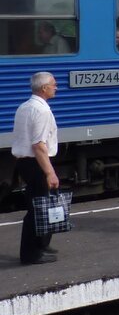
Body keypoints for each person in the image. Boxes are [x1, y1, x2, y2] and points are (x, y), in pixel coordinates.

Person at [12, 72, 61, 265]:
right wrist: (50, 172)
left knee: (39, 206)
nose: (56, 87)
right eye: (54, 85)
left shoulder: (24, 107)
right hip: (36, 162)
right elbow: (39, 145)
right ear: (44, 88)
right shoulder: (41, 111)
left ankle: (42, 245)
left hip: (26, 162)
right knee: (37, 208)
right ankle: (31, 253)